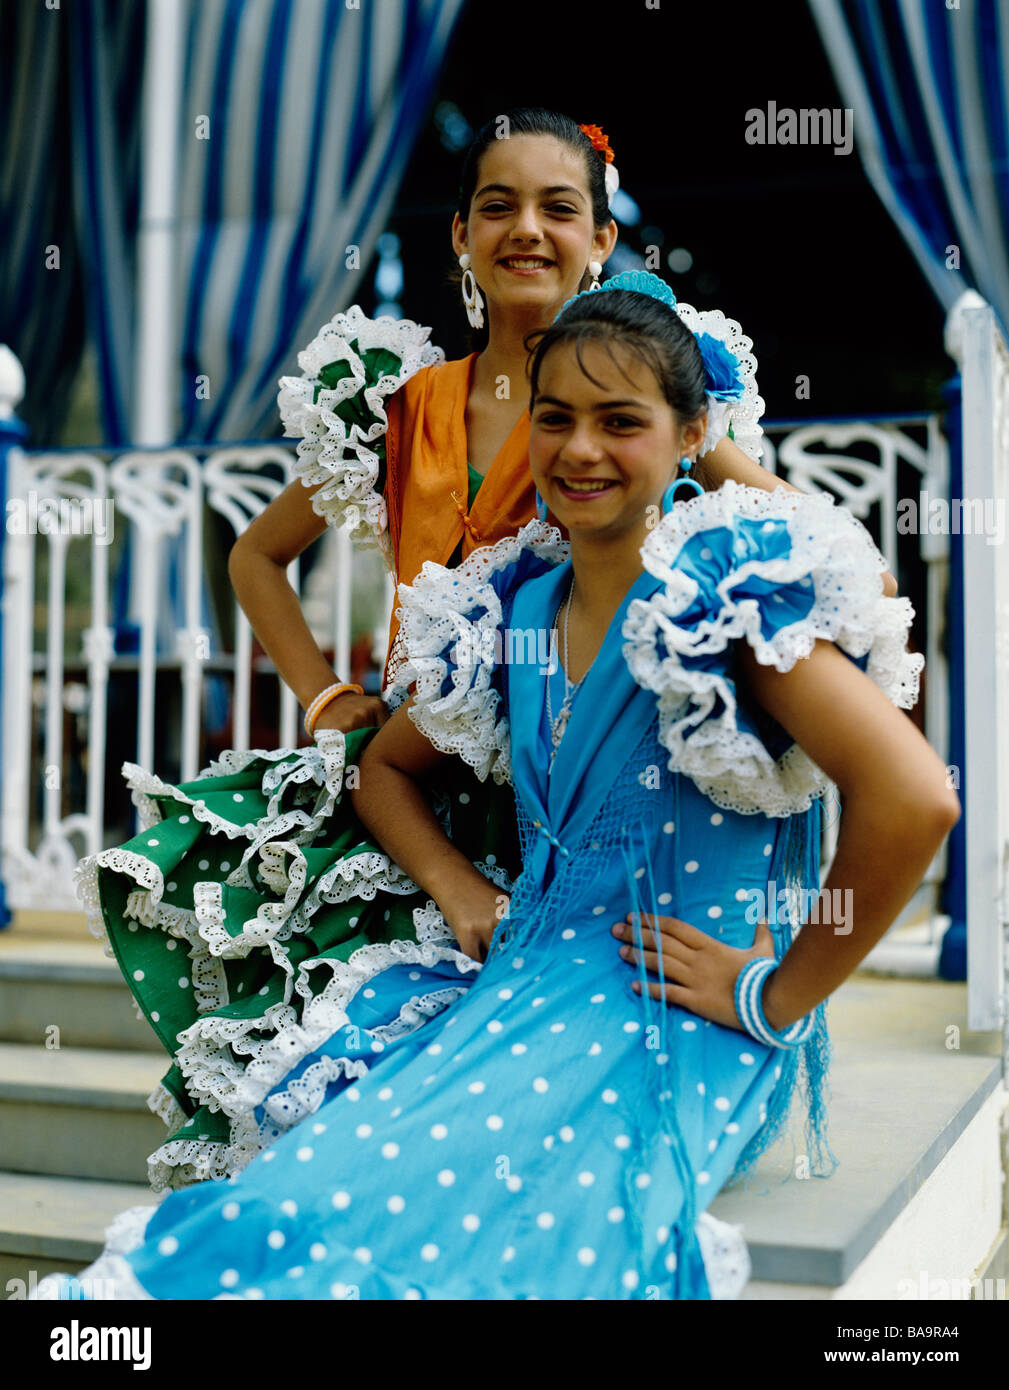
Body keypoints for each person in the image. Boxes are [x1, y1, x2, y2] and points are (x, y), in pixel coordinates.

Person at [41, 273, 955, 1301]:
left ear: (692, 432)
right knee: (290, 1199)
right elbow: (385, 768)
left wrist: (777, 992)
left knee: (497, 1228)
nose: (578, 449)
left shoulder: (726, 600)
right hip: (517, 981)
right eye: (555, 417)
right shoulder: (510, 605)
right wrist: (457, 888)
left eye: (621, 421)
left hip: (679, 1015)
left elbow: (915, 799)